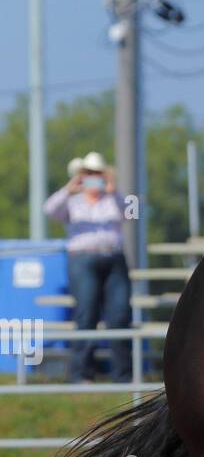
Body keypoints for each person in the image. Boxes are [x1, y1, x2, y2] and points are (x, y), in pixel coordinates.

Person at [44, 151, 132, 383]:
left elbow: (133, 212)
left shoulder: (113, 199)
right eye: (88, 173)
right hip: (83, 261)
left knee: (120, 315)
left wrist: (114, 192)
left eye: (97, 173)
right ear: (81, 176)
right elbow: (49, 210)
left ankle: (123, 375)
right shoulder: (71, 201)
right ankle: (81, 374)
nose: (93, 178)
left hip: (113, 259)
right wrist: (69, 189)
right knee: (86, 315)